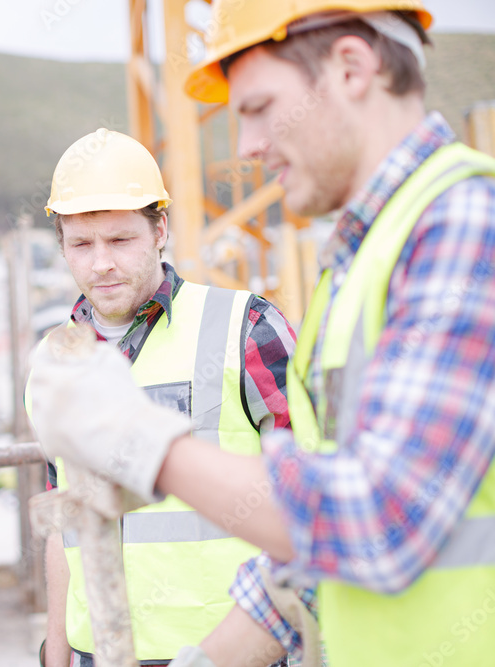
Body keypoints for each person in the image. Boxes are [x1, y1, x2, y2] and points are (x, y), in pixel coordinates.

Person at [29, 1, 495, 666]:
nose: (245, 145)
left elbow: (378, 520)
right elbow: (306, 560)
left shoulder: (464, 228)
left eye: (258, 105)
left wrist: (141, 442)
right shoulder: (358, 266)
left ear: (352, 67)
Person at [32, 128, 297, 667]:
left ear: (160, 231)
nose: (101, 263)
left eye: (120, 240)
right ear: (61, 245)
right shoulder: (52, 361)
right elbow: (66, 529)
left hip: (234, 655)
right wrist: (54, 657)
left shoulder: (246, 330)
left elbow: (311, 507)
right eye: (81, 244)